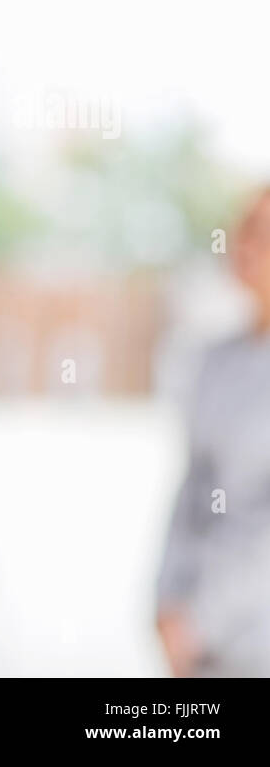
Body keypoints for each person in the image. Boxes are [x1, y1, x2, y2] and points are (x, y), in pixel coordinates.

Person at [155, 186, 270, 677]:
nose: (242, 245)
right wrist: (166, 597)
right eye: (242, 229)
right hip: (195, 640)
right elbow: (192, 492)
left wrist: (203, 619)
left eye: (260, 235)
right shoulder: (213, 359)